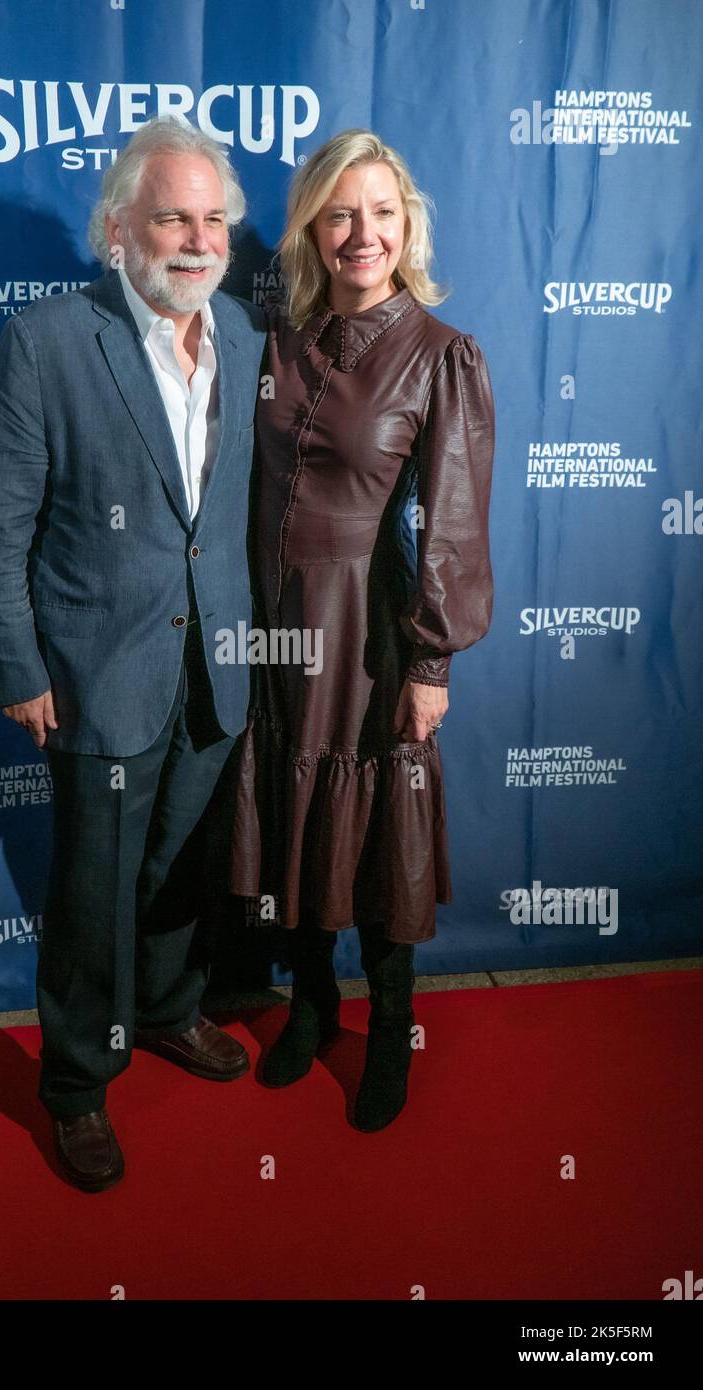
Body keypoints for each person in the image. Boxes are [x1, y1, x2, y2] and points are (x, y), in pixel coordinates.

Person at [0, 117, 266, 1192]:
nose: (195, 236)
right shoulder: (50, 340)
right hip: (95, 675)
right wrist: (19, 666)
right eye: (171, 216)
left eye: (212, 216)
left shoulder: (243, 331)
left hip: (216, 666)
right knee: (92, 893)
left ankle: (175, 1010)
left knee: (186, 868)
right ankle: (78, 1085)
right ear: (118, 229)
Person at [230, 129, 495, 1132]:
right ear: (311, 224)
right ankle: (310, 1005)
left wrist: (431, 659)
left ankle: (391, 1028)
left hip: (370, 631)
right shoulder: (279, 340)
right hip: (273, 624)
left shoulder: (440, 356)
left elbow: (457, 524)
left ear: (406, 224)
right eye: (341, 211)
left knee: (380, 824)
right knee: (295, 805)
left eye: (382, 211)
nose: (362, 232)